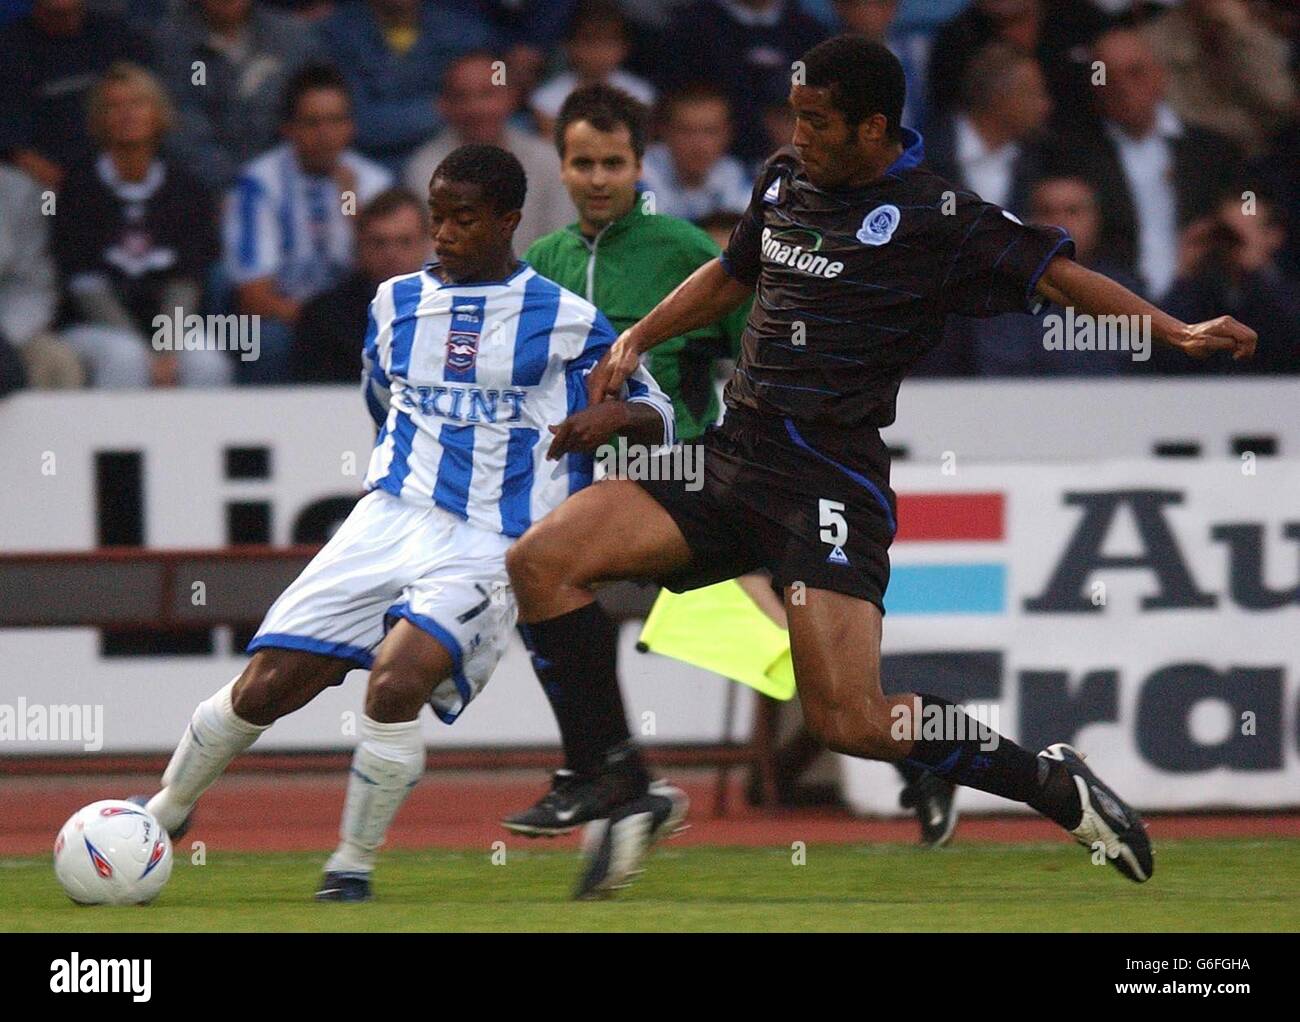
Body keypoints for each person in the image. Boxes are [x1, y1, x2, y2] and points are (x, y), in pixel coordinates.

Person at [505, 35, 1257, 893]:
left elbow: (1059, 277)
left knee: (852, 721)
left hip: (828, 483)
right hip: (733, 456)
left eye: (817, 121)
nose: (798, 133)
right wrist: (642, 333)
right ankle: (616, 777)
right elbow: (733, 271)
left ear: (873, 128)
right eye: (795, 114)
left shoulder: (941, 216)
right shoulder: (786, 177)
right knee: (542, 561)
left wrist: (1177, 330)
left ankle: (1051, 784)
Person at [137, 143, 681, 903]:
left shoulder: (566, 319)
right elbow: (380, 400)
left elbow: (662, 411)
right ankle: (162, 813)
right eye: (438, 217)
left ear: (508, 220)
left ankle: (351, 865)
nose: (446, 233)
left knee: (395, 682)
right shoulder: (393, 303)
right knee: (268, 684)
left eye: (465, 219)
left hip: (493, 541)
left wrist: (613, 417)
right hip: (387, 517)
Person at [53, 62, 229, 388]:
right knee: (126, 357)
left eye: (137, 103)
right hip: (94, 326)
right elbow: (84, 284)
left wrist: (166, 348)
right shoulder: (78, 190)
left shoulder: (185, 189)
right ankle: (117, 441)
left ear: (157, 113)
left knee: (207, 362)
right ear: (98, 119)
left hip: (169, 326)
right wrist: (147, 353)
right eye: (113, 106)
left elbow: (187, 279)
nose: (126, 114)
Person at [224, 64, 392, 384]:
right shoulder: (258, 184)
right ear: (288, 129)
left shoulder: (374, 183)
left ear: (350, 126)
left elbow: (390, 273)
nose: (325, 134)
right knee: (266, 340)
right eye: (312, 123)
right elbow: (254, 296)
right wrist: (323, 323)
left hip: (358, 312)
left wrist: (355, 212)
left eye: (335, 121)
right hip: (288, 316)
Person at [1056, 26, 1242, 302]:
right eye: (1108, 76)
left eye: (1135, 72)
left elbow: (1247, 209)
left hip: (1204, 300)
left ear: (1160, 75)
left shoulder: (1212, 152)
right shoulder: (1073, 157)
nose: (1123, 87)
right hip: (1108, 305)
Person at [404, 52, 576, 252]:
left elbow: (561, 245)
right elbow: (430, 253)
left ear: (511, 97)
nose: (476, 108)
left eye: (487, 94)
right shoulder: (423, 169)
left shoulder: (549, 162)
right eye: (462, 96)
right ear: (443, 105)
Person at [151, 0, 320, 193]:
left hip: (291, 185)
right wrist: (237, 186)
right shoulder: (175, 45)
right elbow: (183, 126)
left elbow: (319, 109)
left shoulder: (292, 39)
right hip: (208, 191)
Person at [315, 0, 499, 172]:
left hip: (455, 155)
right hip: (376, 170)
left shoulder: (462, 30)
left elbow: (495, 102)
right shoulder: (336, 34)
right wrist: (443, 111)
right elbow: (356, 124)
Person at [0, 0, 148, 191]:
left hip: (124, 176)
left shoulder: (120, 36)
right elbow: (15, 148)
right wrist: (72, 190)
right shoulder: (8, 49)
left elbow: (152, 114)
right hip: (42, 184)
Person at [292, 187, 430, 383]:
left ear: (428, 243)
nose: (391, 254)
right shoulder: (324, 317)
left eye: (404, 242)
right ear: (359, 244)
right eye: (379, 243)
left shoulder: (454, 310)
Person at [923, 41, 1053, 217]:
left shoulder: (1042, 159)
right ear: (999, 96)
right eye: (1033, 94)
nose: (1045, 106)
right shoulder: (924, 155)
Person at [529, 0, 655, 140]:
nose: (598, 53)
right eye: (589, 43)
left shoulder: (642, 93)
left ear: (624, 48)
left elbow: (641, 142)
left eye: (607, 44)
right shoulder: (546, 98)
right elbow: (554, 146)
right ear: (569, 46)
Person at [639, 83, 754, 223]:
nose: (698, 145)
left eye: (710, 131)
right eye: (686, 131)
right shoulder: (639, 175)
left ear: (727, 133)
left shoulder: (736, 176)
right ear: (664, 132)